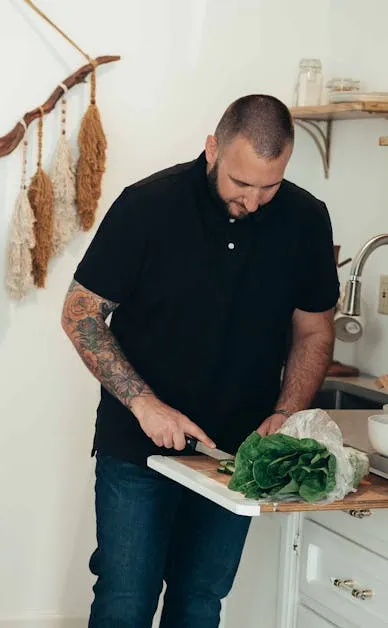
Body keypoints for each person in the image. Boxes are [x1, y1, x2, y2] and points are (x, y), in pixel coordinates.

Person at [61, 94, 338, 627]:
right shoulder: (147, 206)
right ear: (212, 148)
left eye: (269, 186)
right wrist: (145, 404)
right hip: (139, 449)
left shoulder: (305, 219)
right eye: (241, 183)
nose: (254, 201)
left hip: (238, 456)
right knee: (125, 601)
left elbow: (314, 330)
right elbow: (80, 314)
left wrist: (284, 415)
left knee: (200, 601)